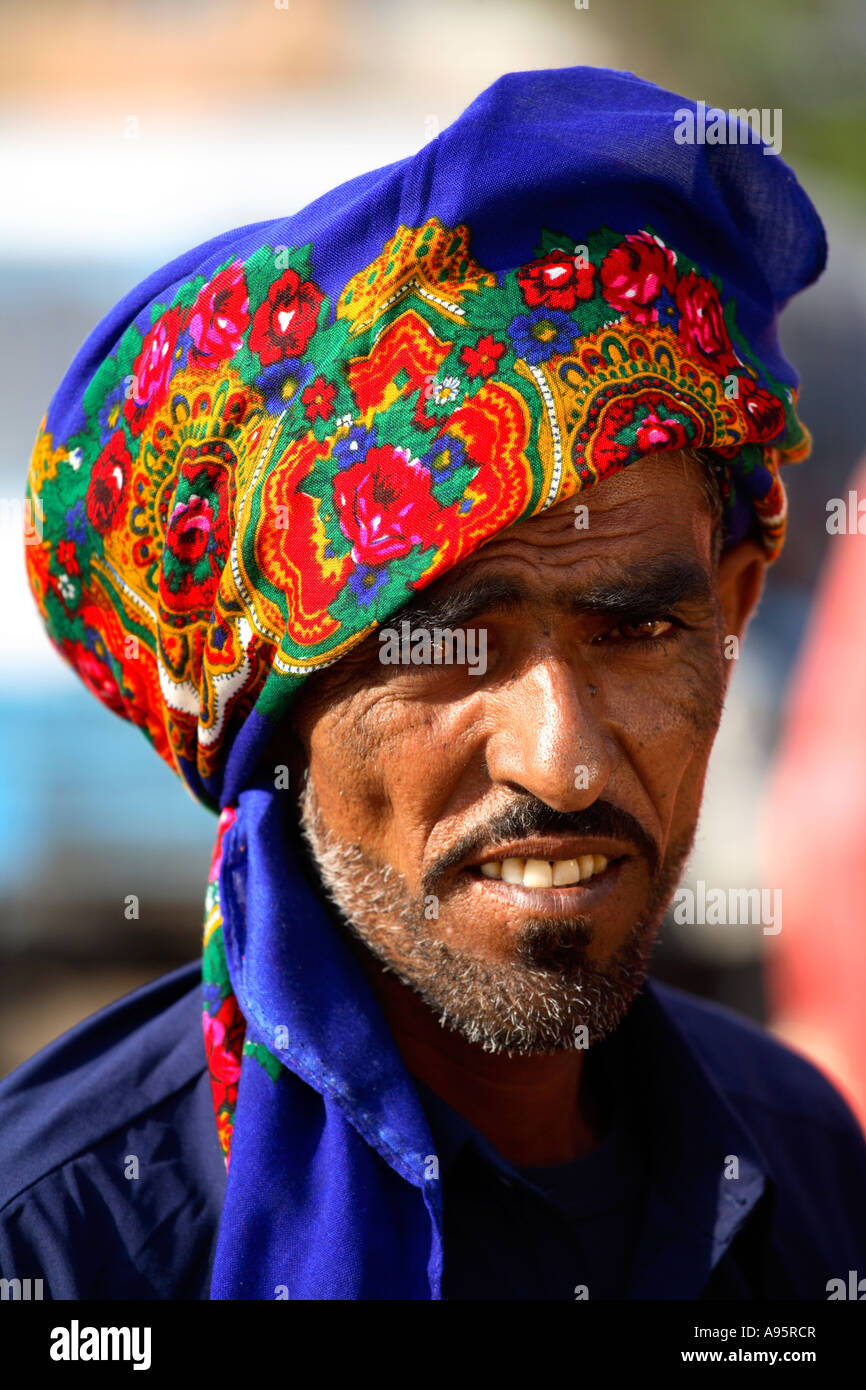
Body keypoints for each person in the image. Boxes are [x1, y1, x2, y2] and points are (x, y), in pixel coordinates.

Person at [3, 66, 865, 1302]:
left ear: (730, 614)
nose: (560, 758)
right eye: (447, 648)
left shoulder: (804, 1165)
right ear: (271, 711)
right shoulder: (65, 1248)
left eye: (637, 632)